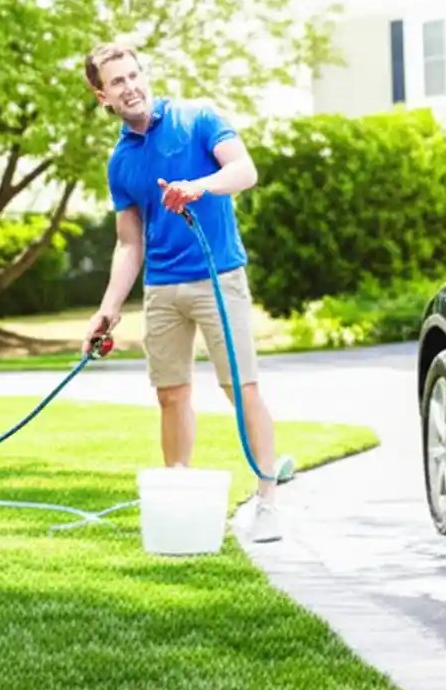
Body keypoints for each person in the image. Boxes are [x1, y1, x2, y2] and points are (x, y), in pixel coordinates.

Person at [79, 40, 291, 543]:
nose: (130, 87)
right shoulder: (121, 163)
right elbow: (129, 244)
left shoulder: (196, 117)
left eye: (133, 75)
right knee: (170, 394)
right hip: (162, 288)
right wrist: (107, 311)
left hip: (219, 276)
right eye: (116, 82)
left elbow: (245, 170)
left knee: (241, 389)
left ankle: (268, 500)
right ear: (101, 96)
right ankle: (177, 493)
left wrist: (200, 186)